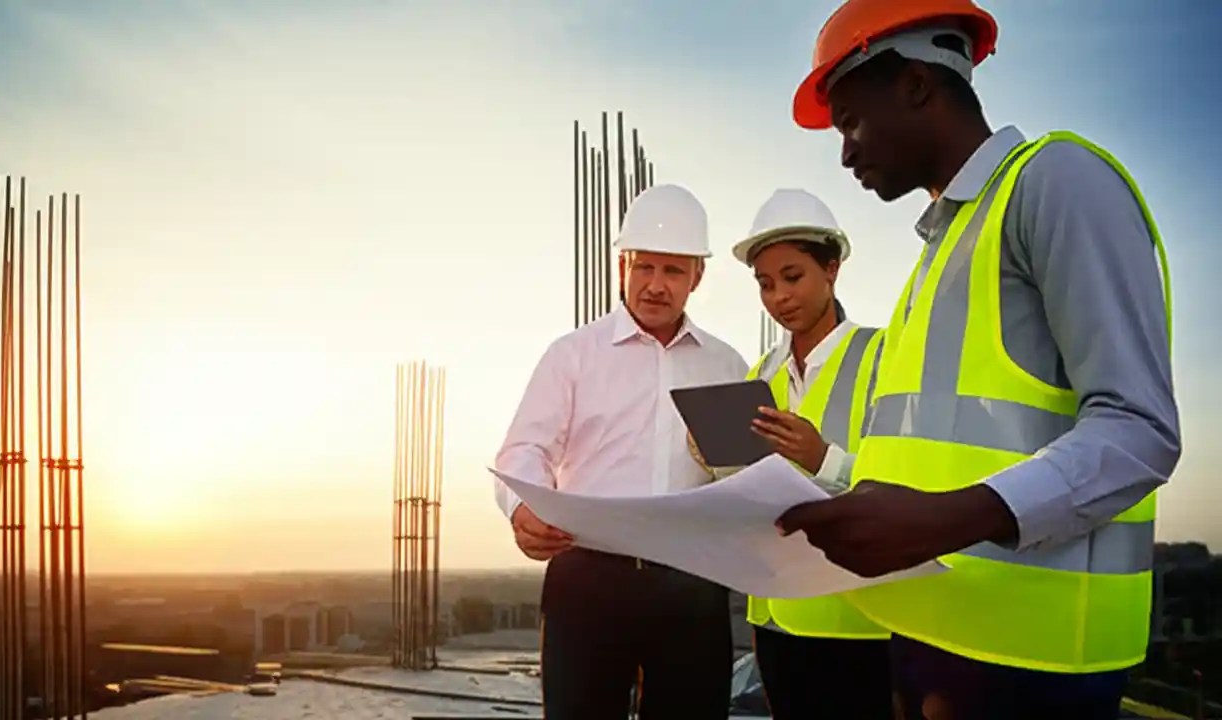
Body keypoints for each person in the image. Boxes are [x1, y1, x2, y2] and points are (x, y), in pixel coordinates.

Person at [774, 1, 1180, 718]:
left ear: (917, 87)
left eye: (851, 121)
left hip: (1035, 665)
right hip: (928, 642)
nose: (846, 153)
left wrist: (946, 520)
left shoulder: (1054, 183)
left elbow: (1139, 429)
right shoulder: (940, 254)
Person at [493, 183, 749, 719]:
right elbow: (524, 449)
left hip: (691, 583)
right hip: (587, 581)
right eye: (644, 268)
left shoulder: (725, 366)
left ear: (697, 277)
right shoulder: (572, 356)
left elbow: (742, 478)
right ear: (621, 267)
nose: (656, 286)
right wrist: (522, 508)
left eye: (673, 271)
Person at [702, 188, 893, 720]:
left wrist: (823, 457)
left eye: (792, 277)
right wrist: (713, 454)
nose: (778, 297)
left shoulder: (884, 355)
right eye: (765, 284)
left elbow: (906, 483)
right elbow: (748, 484)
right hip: (777, 621)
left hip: (859, 621)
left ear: (831, 269)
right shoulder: (761, 373)